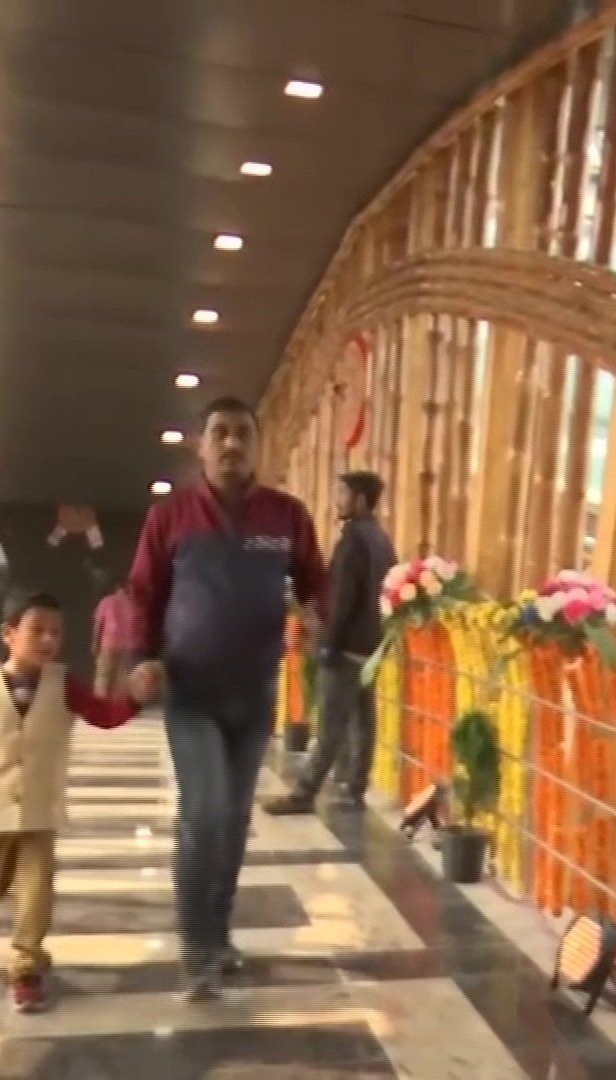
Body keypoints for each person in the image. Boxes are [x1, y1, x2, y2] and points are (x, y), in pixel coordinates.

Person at [124, 396, 326, 1002]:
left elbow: (315, 581)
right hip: (191, 692)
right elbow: (143, 592)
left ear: (258, 445)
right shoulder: (171, 516)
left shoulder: (286, 515)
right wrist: (142, 659)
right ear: (202, 445)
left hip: (256, 692)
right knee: (206, 811)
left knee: (234, 820)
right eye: (220, 433)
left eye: (243, 434)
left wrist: (314, 617)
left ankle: (218, 935)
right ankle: (196, 950)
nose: (232, 444)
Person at [0, 591, 141, 1013]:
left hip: (41, 808)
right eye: (37, 630)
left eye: (56, 633)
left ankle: (26, 967)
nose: (48, 640)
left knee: (36, 889)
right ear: (8, 634)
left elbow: (103, 715)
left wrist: (134, 699)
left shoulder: (63, 685)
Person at [262, 471, 395, 815]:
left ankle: (304, 793)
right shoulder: (382, 540)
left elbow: (343, 599)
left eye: (342, 494)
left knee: (330, 725)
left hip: (345, 645)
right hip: (370, 646)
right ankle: (354, 789)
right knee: (363, 720)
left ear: (360, 500)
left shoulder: (352, 540)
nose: (337, 501)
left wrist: (328, 644)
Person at [91, 572, 135, 698]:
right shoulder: (132, 604)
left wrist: (94, 643)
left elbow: (99, 624)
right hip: (125, 645)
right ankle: (115, 705)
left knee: (103, 677)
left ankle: (100, 703)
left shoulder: (106, 601)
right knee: (120, 681)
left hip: (108, 643)